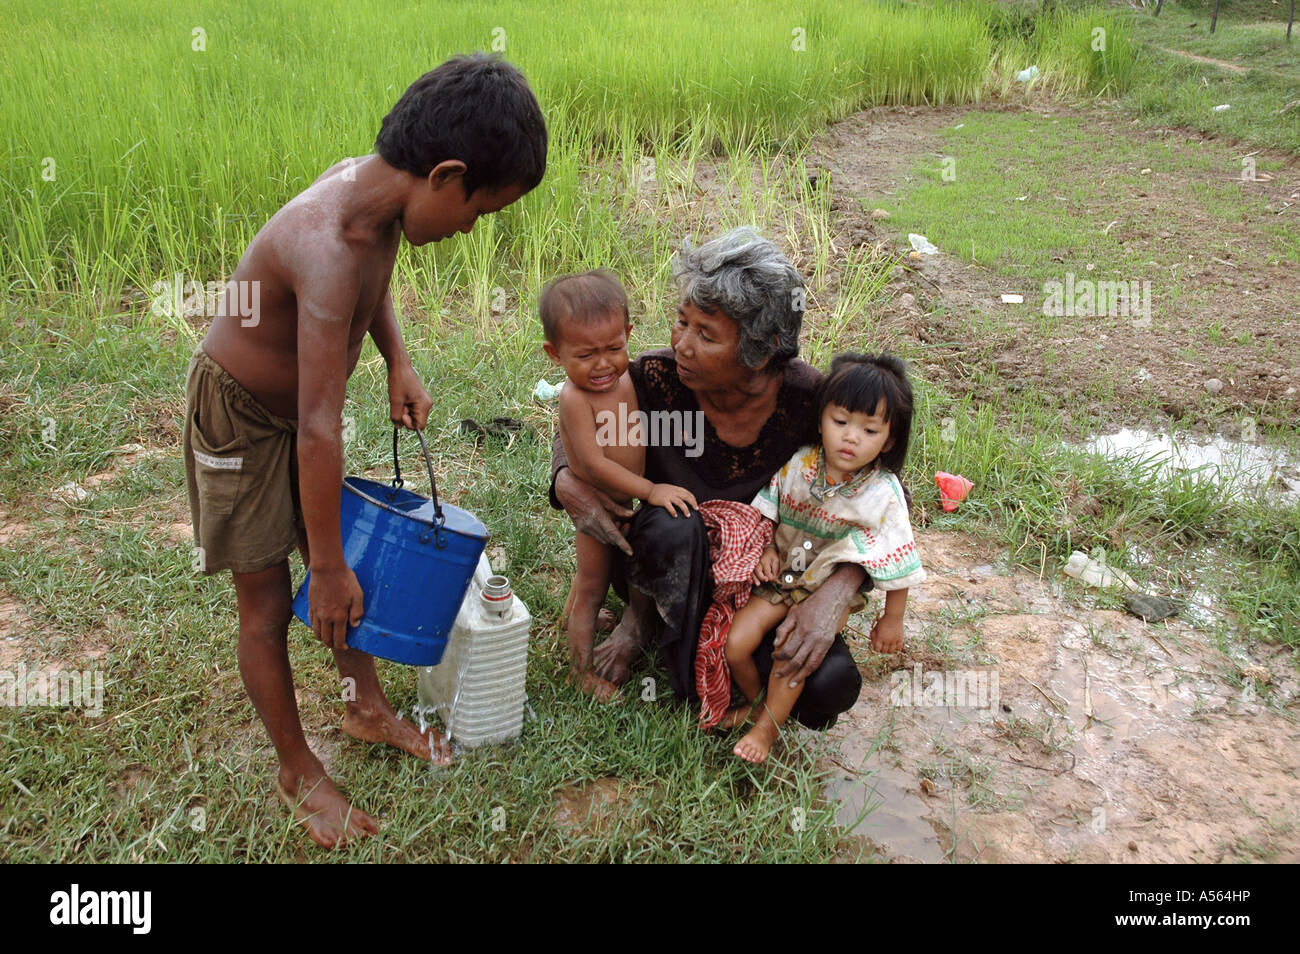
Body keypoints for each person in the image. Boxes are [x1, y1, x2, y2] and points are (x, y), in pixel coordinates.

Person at [184, 54, 546, 848]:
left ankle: (366, 708)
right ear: (445, 176)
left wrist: (398, 359)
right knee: (277, 598)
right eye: (480, 212)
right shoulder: (327, 242)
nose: (470, 230)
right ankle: (297, 772)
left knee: (352, 558)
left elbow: (373, 288)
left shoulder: (373, 200)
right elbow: (320, 425)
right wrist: (326, 563)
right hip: (243, 416)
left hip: (299, 416)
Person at [551, 228, 896, 730]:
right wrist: (566, 478)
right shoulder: (656, 382)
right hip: (665, 570)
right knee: (675, 523)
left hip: (766, 587)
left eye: (706, 335)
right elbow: (581, 423)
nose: (681, 345)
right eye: (680, 323)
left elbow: (886, 496)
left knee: (830, 687)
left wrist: (837, 591)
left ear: (762, 349)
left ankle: (724, 664)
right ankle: (644, 628)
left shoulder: (813, 404)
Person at [727, 354, 925, 762]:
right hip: (779, 578)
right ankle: (756, 703)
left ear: (888, 440)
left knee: (792, 657)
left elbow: (899, 556)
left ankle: (766, 732)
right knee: (736, 644)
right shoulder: (800, 463)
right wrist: (766, 548)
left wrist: (893, 618)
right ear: (821, 420)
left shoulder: (883, 494)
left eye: (869, 430)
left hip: (823, 593)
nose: (851, 438)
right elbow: (769, 507)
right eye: (841, 423)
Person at [542, 270, 697, 701]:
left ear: (629, 333)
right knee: (593, 585)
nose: (602, 364)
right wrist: (650, 490)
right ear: (554, 354)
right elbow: (591, 463)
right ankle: (579, 670)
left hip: (626, 503)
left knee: (608, 579)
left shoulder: (630, 375)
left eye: (614, 347)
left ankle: (582, 620)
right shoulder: (576, 399)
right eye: (585, 355)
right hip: (600, 507)